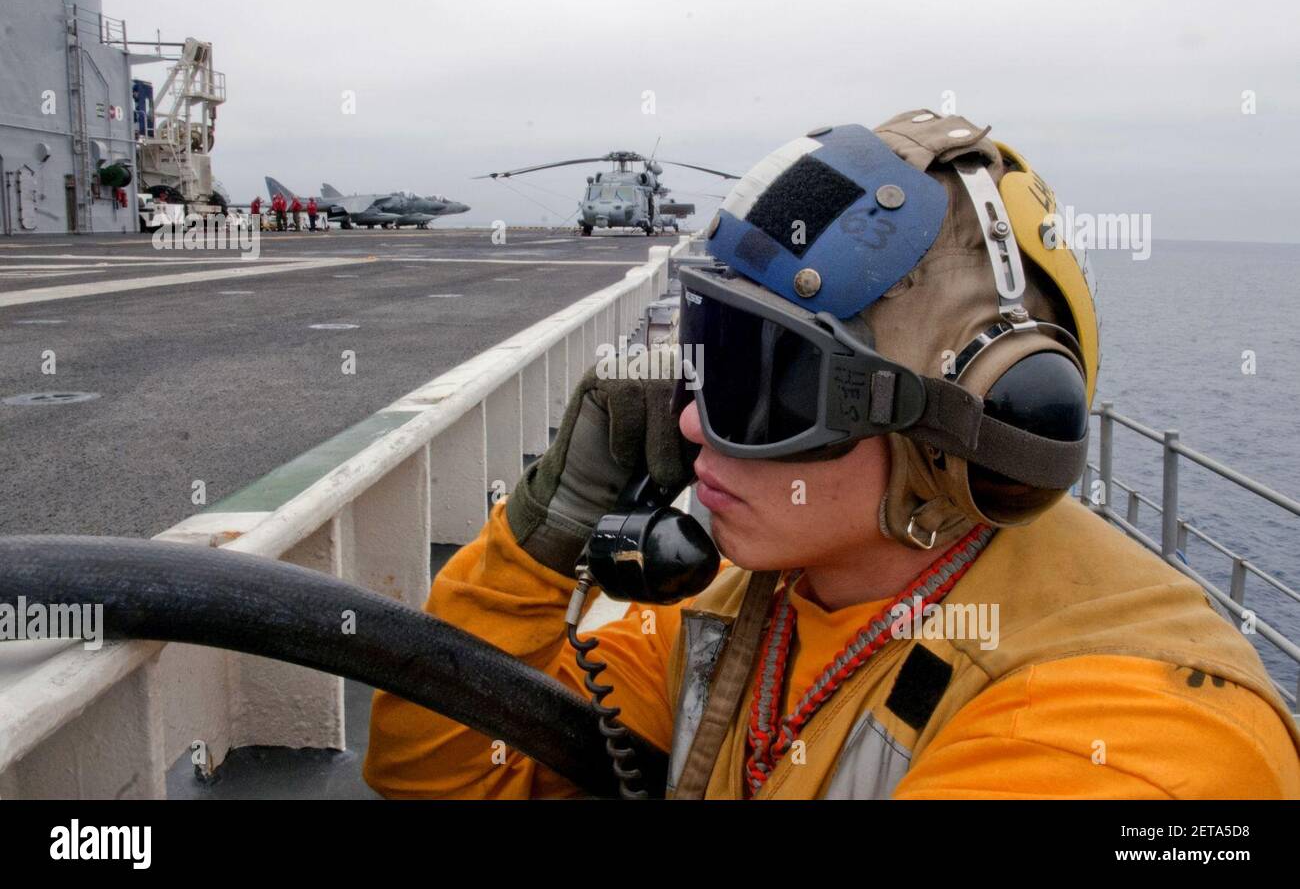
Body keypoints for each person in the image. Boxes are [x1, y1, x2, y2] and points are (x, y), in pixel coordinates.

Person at [364, 110, 1300, 800]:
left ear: (964, 427)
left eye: (762, 379)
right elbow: (435, 775)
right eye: (702, 356)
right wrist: (545, 531)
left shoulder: (1129, 737)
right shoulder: (747, 599)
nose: (691, 426)